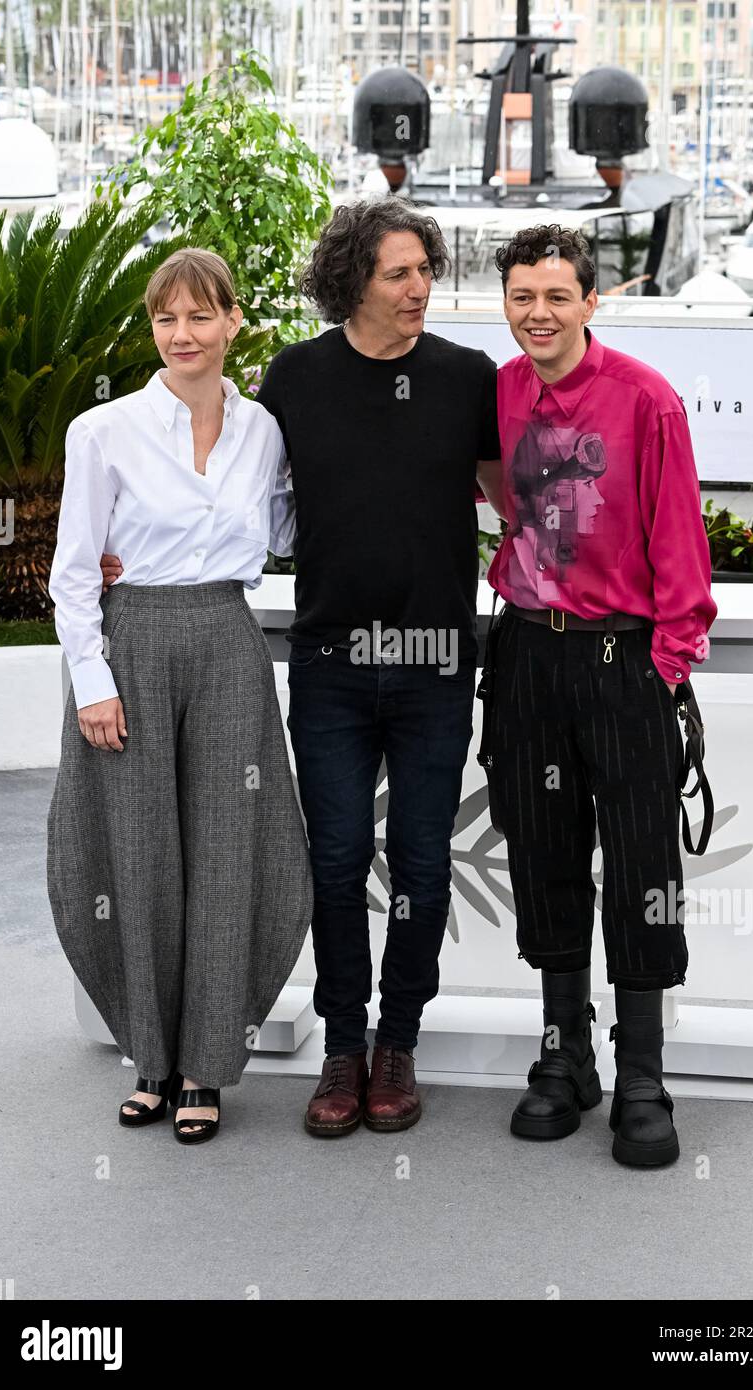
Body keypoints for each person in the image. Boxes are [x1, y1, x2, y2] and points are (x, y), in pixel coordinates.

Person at [47, 247, 313, 1145]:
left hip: (227, 639)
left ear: (233, 322)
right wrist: (93, 682)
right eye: (167, 318)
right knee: (139, 851)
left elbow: (284, 529)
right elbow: (75, 574)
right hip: (132, 644)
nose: (183, 335)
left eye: (201, 316)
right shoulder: (105, 432)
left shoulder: (265, 430)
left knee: (231, 846)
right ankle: (152, 1060)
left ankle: (206, 1062)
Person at [256, 198, 500, 1135]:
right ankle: (343, 1048)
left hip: (437, 661)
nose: (419, 289)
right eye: (399, 273)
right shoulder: (297, 377)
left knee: (424, 866)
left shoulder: (466, 377)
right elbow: (234, 487)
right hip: (330, 662)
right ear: (352, 279)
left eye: (426, 271)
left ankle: (399, 1042)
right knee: (335, 861)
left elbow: (512, 494)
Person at [478, 224, 717, 1167]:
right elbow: (495, 491)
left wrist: (664, 668)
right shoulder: (496, 391)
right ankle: (563, 1057)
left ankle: (645, 1074)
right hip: (528, 655)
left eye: (556, 297)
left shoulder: (646, 399)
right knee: (543, 855)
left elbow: (679, 542)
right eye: (521, 296)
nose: (538, 313)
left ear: (590, 301)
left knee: (643, 867)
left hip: (624, 664)